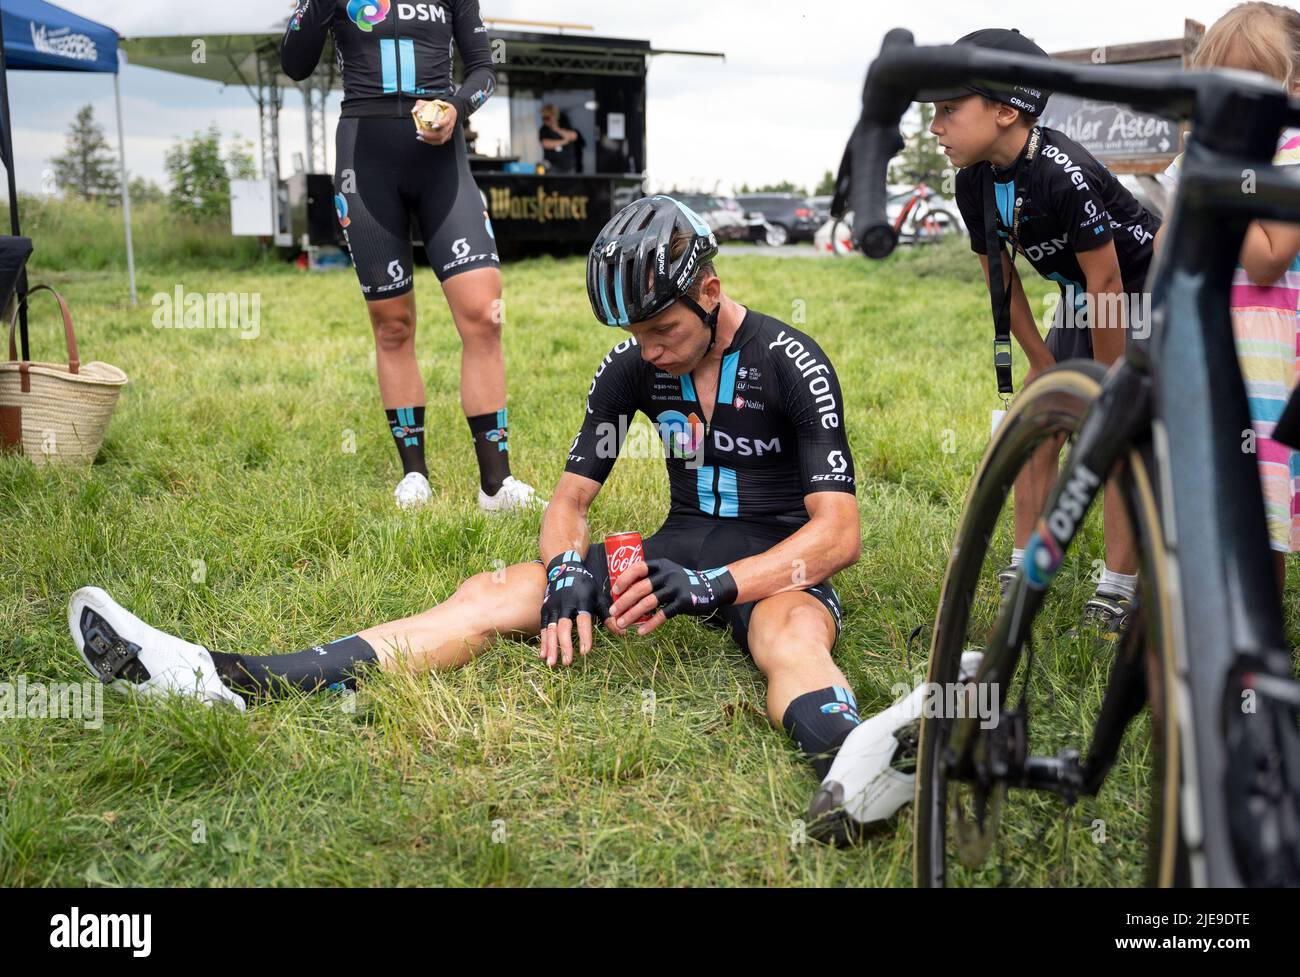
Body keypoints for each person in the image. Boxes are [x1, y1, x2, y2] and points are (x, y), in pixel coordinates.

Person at [67, 196, 901, 844]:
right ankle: (239, 678)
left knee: (786, 640)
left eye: (662, 329)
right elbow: (571, 501)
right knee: (495, 588)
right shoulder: (631, 368)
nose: (647, 348)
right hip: (673, 554)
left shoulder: (790, 360)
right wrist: (570, 570)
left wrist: (721, 583)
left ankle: (859, 769)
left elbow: (838, 535)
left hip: (775, 566)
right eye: (632, 334)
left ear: (710, 291)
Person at [925, 28, 1162, 637]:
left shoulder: (1064, 171)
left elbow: (1109, 282)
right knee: (1036, 428)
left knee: (1116, 434)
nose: (935, 127)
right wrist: (1044, 365)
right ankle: (1029, 565)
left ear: (1006, 112)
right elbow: (1001, 284)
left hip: (1143, 290)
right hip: (1084, 296)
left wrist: (1105, 385)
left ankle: (1117, 589)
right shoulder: (972, 179)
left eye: (949, 110)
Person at [281, 0, 540, 513]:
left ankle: (496, 485)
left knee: (483, 316)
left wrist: (457, 109)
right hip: (365, 160)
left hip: (442, 163)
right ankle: (414, 475)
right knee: (393, 327)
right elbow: (295, 63)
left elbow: (484, 69)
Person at [1158, 2, 1300, 597]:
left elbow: (1269, 257)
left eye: (1255, 84)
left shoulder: (1291, 150)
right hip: (1218, 346)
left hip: (1279, 358)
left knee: (1270, 504)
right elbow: (1167, 247)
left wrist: (1218, 184)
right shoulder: (1203, 157)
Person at [538, 104, 580, 174]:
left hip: (568, 166)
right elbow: (546, 144)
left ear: (554, 116)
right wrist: (564, 141)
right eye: (543, 118)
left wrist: (557, 129)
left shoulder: (565, 124)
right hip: (552, 166)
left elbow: (573, 136)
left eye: (547, 118)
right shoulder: (543, 130)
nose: (545, 121)